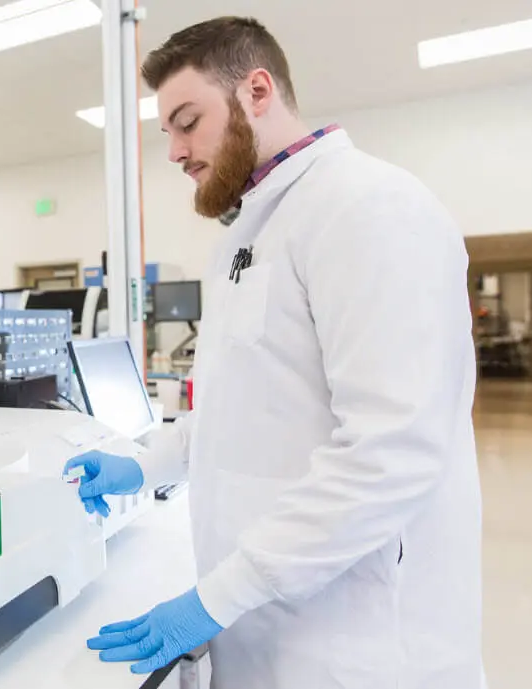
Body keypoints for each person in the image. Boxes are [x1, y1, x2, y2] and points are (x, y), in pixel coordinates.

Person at [64, 16, 483, 689]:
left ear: (256, 91)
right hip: (264, 624)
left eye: (186, 120)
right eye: (165, 130)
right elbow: (242, 409)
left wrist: (216, 596)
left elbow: (390, 452)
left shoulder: (371, 207)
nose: (172, 150)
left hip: (360, 643)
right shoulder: (243, 236)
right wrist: (140, 466)